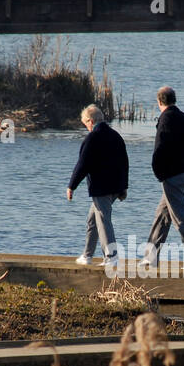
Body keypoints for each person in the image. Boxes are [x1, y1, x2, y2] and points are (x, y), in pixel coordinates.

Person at [143, 86, 184, 270]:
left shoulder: (165, 119)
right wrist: (183, 157)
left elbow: (159, 149)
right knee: (163, 214)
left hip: (173, 176)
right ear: (174, 99)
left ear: (159, 102)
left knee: (180, 218)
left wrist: (159, 173)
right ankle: (151, 256)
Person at [66, 104, 127, 268]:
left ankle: (111, 257)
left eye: (85, 123)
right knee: (92, 219)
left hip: (101, 188)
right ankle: (87, 255)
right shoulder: (115, 136)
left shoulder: (92, 138)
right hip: (115, 187)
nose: (86, 127)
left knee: (103, 220)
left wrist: (71, 186)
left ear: (90, 121)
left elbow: (82, 165)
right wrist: (124, 187)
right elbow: (124, 163)